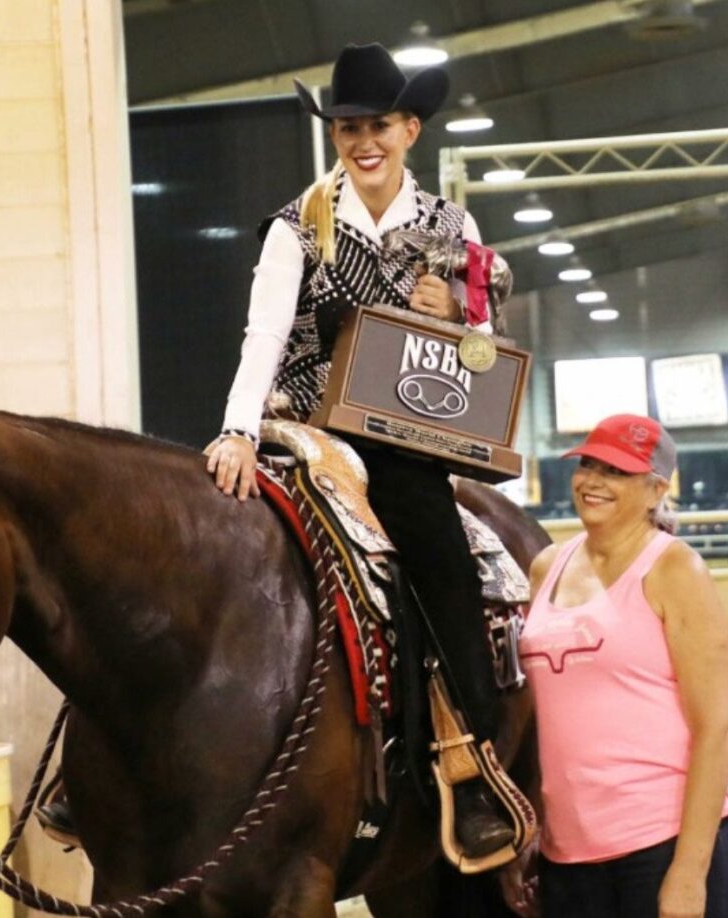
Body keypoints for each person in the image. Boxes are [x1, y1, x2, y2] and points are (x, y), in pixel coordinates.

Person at [204, 41, 514, 859]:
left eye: (376, 124)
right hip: (306, 427)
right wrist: (236, 430)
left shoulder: (455, 229)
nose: (361, 140)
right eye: (346, 127)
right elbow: (264, 335)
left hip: (406, 442)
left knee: (444, 560)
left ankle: (470, 757)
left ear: (410, 129)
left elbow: (484, 355)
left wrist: (455, 312)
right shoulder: (295, 227)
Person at [507, 414, 728, 917]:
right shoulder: (545, 567)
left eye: (616, 472)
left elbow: (716, 728)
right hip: (570, 854)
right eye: (588, 465)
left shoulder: (673, 568)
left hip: (665, 842)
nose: (593, 481)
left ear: (655, 489)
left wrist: (688, 871)